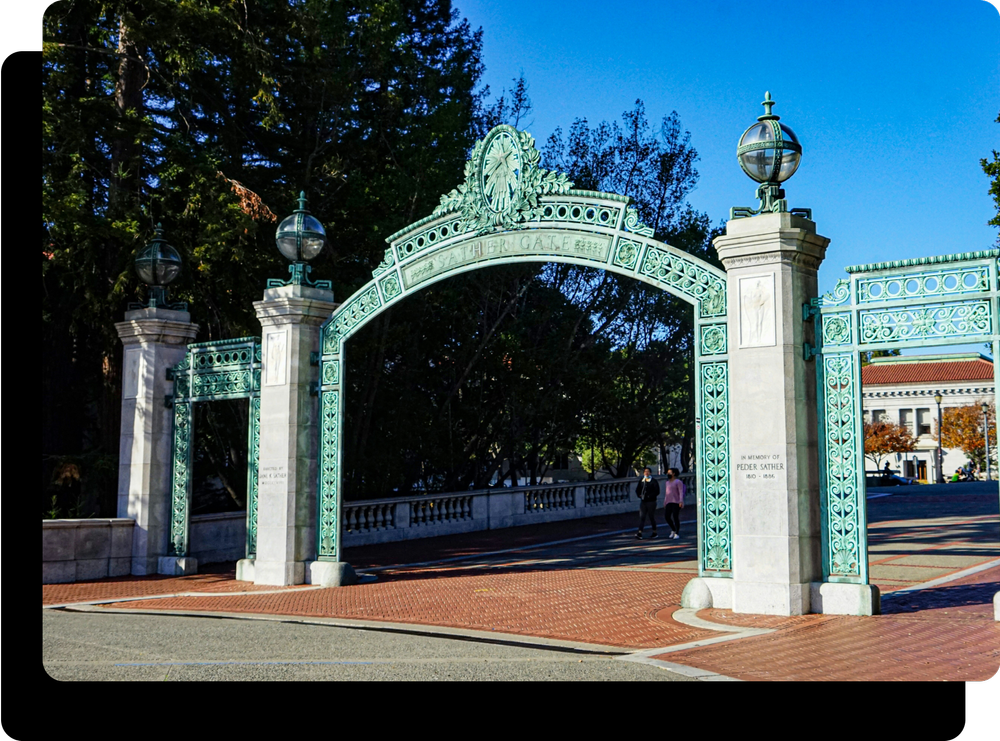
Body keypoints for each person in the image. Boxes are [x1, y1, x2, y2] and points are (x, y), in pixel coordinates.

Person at [635, 467, 659, 539]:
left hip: (651, 502)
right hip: (643, 502)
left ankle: (654, 532)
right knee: (642, 517)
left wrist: (649, 496)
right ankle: (640, 533)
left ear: (650, 473)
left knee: (651, 517)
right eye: (645, 472)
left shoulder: (653, 481)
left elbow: (657, 491)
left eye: (648, 471)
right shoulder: (641, 481)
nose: (646, 473)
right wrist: (639, 495)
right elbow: (638, 489)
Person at [663, 467, 686, 539]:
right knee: (667, 516)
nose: (668, 474)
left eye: (670, 472)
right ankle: (673, 529)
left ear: (674, 473)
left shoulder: (678, 482)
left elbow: (680, 492)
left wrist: (681, 501)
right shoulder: (667, 482)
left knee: (675, 517)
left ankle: (677, 533)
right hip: (669, 502)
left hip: (676, 502)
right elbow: (667, 493)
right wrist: (665, 501)